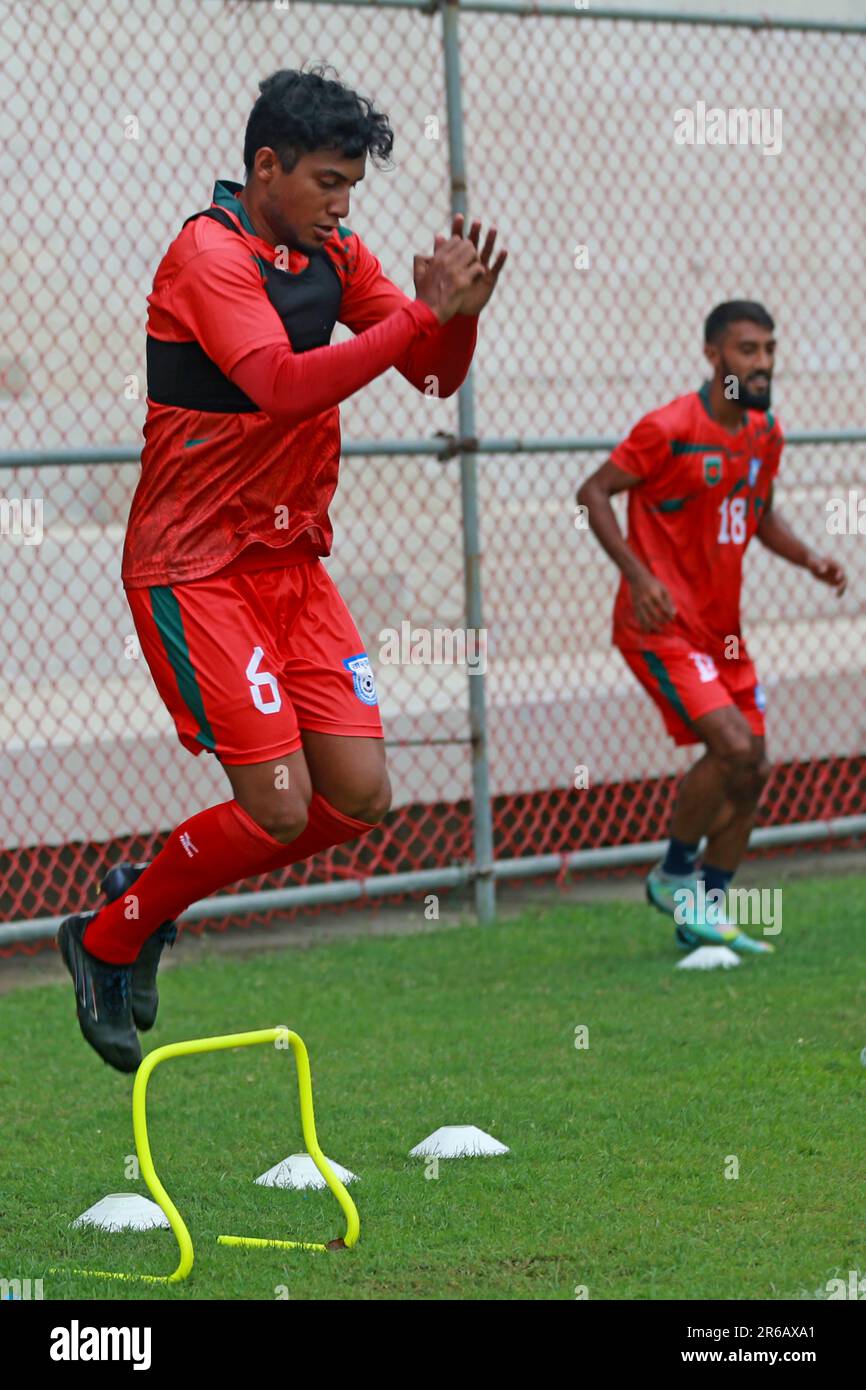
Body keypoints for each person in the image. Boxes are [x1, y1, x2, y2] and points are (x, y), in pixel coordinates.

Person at [58, 65, 507, 1071]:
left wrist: (458, 312)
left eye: (352, 186)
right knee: (274, 803)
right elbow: (279, 385)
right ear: (266, 168)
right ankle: (110, 933)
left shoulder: (333, 251)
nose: (343, 205)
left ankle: (157, 886)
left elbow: (430, 371)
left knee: (355, 797)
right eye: (327, 182)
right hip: (196, 567)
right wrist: (416, 317)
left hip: (293, 566)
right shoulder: (206, 257)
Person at [577, 302, 846, 953]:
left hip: (725, 636)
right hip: (662, 628)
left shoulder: (764, 432)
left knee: (754, 767)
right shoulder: (670, 428)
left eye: (769, 350)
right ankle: (673, 872)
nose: (762, 364)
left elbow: (761, 514)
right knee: (731, 745)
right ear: (714, 357)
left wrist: (810, 558)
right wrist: (641, 579)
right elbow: (593, 492)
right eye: (747, 350)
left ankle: (708, 907)